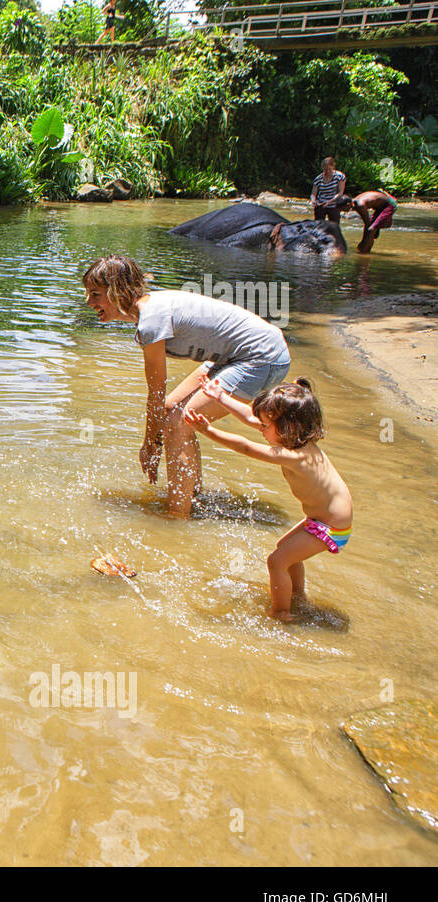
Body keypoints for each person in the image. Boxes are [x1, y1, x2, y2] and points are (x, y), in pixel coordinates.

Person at [82, 255, 290, 517]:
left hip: (262, 357)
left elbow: (155, 390)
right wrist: (154, 439)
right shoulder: (149, 310)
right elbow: (162, 402)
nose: (89, 302)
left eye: (96, 294)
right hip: (236, 356)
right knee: (172, 410)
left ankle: (177, 516)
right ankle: (193, 496)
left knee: (179, 421)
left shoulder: (151, 321)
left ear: (116, 292)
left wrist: (150, 444)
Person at [184, 377, 353, 620]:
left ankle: (281, 613)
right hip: (324, 519)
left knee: (276, 562)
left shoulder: (297, 456)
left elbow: (245, 447)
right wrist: (220, 397)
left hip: (331, 526)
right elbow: (250, 417)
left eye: (265, 426)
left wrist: (207, 430)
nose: (259, 428)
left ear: (288, 427)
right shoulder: (297, 438)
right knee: (285, 552)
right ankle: (297, 597)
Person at [351, 188, 398, 253]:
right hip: (381, 205)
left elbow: (368, 224)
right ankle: (364, 248)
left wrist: (363, 242)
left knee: (371, 229)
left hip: (390, 204)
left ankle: (365, 252)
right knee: (371, 230)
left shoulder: (360, 205)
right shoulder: (354, 201)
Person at [310, 156, 348, 222]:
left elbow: (340, 193)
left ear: (333, 167)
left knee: (334, 226)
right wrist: (313, 201)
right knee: (319, 226)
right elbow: (313, 194)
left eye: (329, 169)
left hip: (334, 205)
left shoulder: (339, 176)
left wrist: (329, 202)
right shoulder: (318, 179)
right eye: (325, 169)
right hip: (321, 205)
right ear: (322, 168)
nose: (327, 171)